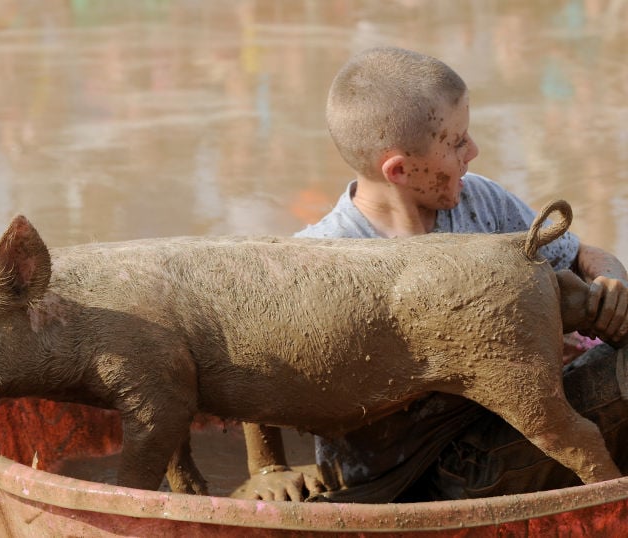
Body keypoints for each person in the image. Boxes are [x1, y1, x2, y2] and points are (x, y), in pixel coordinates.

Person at [238, 46, 628, 503]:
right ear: (399, 169)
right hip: (418, 474)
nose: (473, 151)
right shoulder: (324, 260)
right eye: (456, 142)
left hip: (510, 429)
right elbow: (254, 358)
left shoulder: (478, 200)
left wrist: (611, 280)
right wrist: (267, 466)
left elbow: (580, 254)